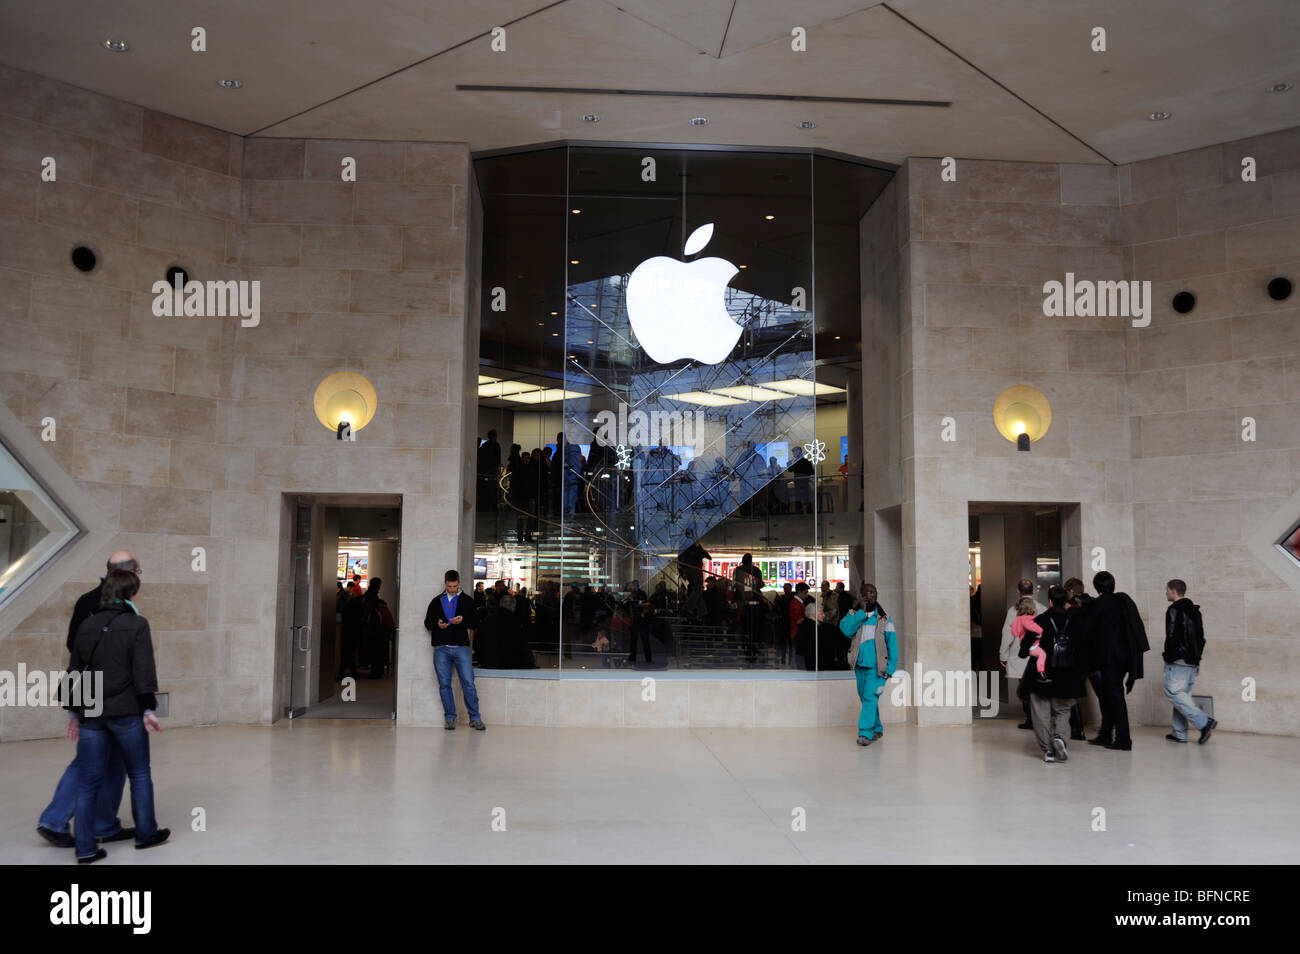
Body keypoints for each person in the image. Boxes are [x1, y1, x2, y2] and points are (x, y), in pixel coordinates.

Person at [36, 552, 138, 849]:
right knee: (94, 758)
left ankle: (103, 823)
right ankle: (55, 820)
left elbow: (73, 645)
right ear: (129, 573)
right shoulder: (123, 608)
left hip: (89, 688)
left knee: (111, 757)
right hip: (110, 694)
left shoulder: (85, 600)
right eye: (138, 570)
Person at [66, 569, 169, 862]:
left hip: (91, 711)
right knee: (139, 774)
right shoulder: (137, 624)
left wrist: (74, 713)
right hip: (125, 711)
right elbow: (144, 673)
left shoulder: (86, 626)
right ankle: (146, 834)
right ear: (131, 594)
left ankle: (84, 849)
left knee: (88, 782)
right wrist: (148, 709)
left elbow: (75, 672)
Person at [1084, 571, 1149, 751]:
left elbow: (1090, 631)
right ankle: (1106, 734)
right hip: (1124, 657)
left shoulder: (1099, 605)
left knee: (1114, 697)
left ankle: (1123, 739)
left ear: (1097, 587)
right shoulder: (1122, 601)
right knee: (1111, 696)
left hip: (1109, 658)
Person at [1021, 585, 1086, 764]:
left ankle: (1048, 750)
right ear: (1066, 601)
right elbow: (1083, 645)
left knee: (1040, 712)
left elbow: (1025, 647)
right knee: (1063, 710)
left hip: (1041, 674)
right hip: (1067, 674)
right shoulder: (1075, 620)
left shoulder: (1040, 620)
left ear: (1050, 601)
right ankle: (1060, 739)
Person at [424, 570, 484, 730]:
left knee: (468, 683)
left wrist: (463, 620)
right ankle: (450, 717)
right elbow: (427, 622)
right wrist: (437, 624)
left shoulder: (467, 601)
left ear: (459, 583)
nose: (452, 589)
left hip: (461, 647)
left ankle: (475, 717)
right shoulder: (436, 601)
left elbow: (475, 623)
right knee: (444, 684)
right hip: (441, 648)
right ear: (445, 584)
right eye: (450, 586)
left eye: (455, 586)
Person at [839, 583, 898, 745]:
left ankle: (865, 733)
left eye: (874, 592)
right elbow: (846, 631)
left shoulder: (885, 619)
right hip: (860, 667)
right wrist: (861, 613)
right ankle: (877, 728)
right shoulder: (854, 614)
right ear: (862, 596)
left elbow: (893, 646)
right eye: (869, 592)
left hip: (877, 669)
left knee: (869, 697)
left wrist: (889, 670)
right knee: (866, 699)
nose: (872, 595)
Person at [1162, 579, 1216, 744]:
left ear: (1173, 591)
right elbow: (1201, 638)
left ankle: (1204, 722)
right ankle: (1179, 733)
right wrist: (1197, 660)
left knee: (1174, 693)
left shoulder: (1173, 610)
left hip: (1178, 660)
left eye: (1167, 590)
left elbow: (1172, 636)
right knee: (1182, 696)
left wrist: (1168, 656)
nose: (1166, 593)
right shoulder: (1194, 611)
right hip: (1192, 661)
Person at [999, 579, 1044, 730]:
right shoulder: (1042, 608)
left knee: (1024, 688)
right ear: (1033, 591)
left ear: (1018, 591)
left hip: (1019, 656)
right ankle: (1039, 719)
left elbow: (1007, 634)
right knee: (1037, 688)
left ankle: (1030, 720)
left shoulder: (1014, 610)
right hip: (1037, 654)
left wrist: (1003, 655)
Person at [362, 578, 396, 679]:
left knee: (375, 649)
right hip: (377, 627)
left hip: (374, 627)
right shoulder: (374, 596)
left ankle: (376, 670)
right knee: (378, 649)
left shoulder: (369, 594)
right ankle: (377, 670)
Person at [1013, 597, 1048, 682]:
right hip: (1032, 646)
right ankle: (1041, 672)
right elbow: (1033, 627)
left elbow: (1015, 632)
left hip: (1026, 645)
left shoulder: (1019, 618)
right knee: (1042, 654)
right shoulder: (1027, 619)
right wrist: (1042, 632)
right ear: (1031, 608)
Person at [477, 429, 501, 511]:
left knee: (484, 490)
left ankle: (485, 506)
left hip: (484, 471)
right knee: (492, 490)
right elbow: (497, 460)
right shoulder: (496, 445)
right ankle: (491, 506)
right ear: (495, 436)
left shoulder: (484, 445)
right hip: (492, 472)